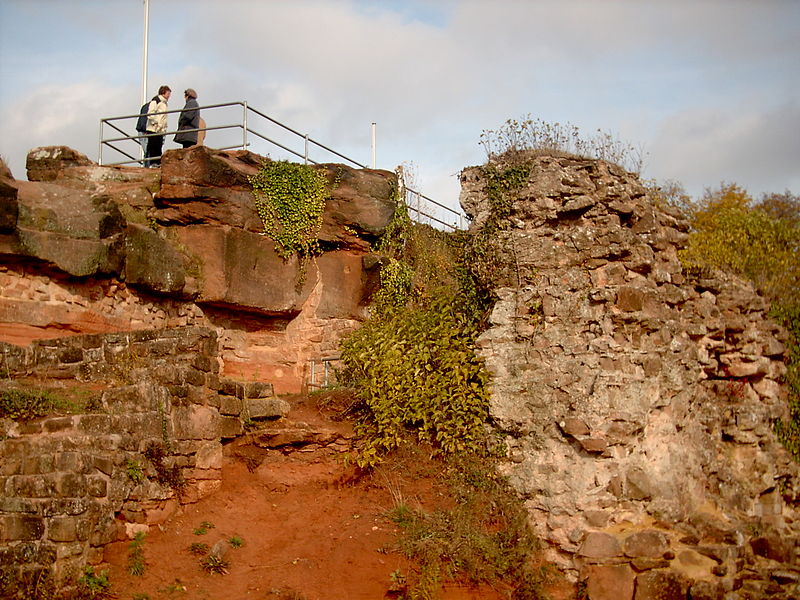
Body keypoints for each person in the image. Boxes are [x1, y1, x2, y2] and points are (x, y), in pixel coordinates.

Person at [145, 85, 171, 167]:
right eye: (168, 93)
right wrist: (157, 123)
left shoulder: (164, 103)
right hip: (154, 128)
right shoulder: (156, 101)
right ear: (163, 93)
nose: (169, 96)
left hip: (160, 129)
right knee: (153, 146)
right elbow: (150, 114)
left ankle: (158, 163)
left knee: (158, 146)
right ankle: (153, 163)